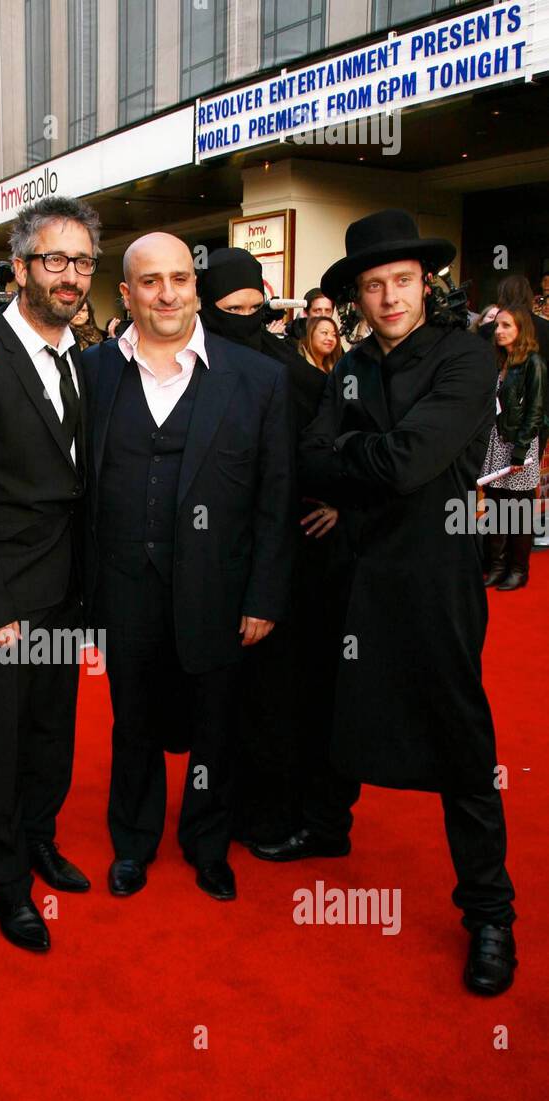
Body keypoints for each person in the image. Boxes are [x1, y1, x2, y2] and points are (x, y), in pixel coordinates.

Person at [299, 208, 518, 996]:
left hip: (435, 574)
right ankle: (328, 830)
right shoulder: (351, 366)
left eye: (402, 281)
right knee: (337, 699)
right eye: (373, 285)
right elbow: (312, 459)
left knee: (460, 736)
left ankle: (490, 912)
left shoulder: (465, 358)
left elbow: (405, 462)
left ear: (425, 283)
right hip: (355, 571)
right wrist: (356, 464)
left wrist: (351, 461)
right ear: (356, 295)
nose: (390, 296)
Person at [81, 233, 293, 902]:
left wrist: (264, 595)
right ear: (126, 293)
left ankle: (207, 845)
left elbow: (276, 498)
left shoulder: (258, 378)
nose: (167, 293)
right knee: (133, 721)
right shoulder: (90, 374)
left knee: (216, 726)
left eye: (179, 279)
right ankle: (133, 843)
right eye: (150, 281)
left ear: (196, 289)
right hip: (123, 588)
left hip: (221, 590)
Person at [0, 195, 98, 951]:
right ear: (19, 268)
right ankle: (5, 880)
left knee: (51, 734)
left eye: (82, 262)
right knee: (0, 745)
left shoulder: (80, 358)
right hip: (7, 597)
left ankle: (39, 841)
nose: (69, 276)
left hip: (66, 592)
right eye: (55, 260)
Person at [196, 247, 357, 861]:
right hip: (219, 556)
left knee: (282, 692)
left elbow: (351, 438)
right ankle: (235, 804)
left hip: (295, 559)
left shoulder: (289, 371)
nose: (242, 318)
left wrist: (344, 501)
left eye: (253, 309)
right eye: (229, 309)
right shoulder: (196, 365)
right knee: (230, 690)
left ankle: (282, 814)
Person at [480, 305, 546, 591]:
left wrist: (521, 450)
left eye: (506, 326)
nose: (498, 331)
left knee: (518, 510)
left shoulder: (533, 363)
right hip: (496, 441)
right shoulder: (497, 362)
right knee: (495, 506)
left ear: (522, 330)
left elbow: (535, 410)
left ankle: (518, 570)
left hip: (519, 444)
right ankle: (497, 566)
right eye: (497, 326)